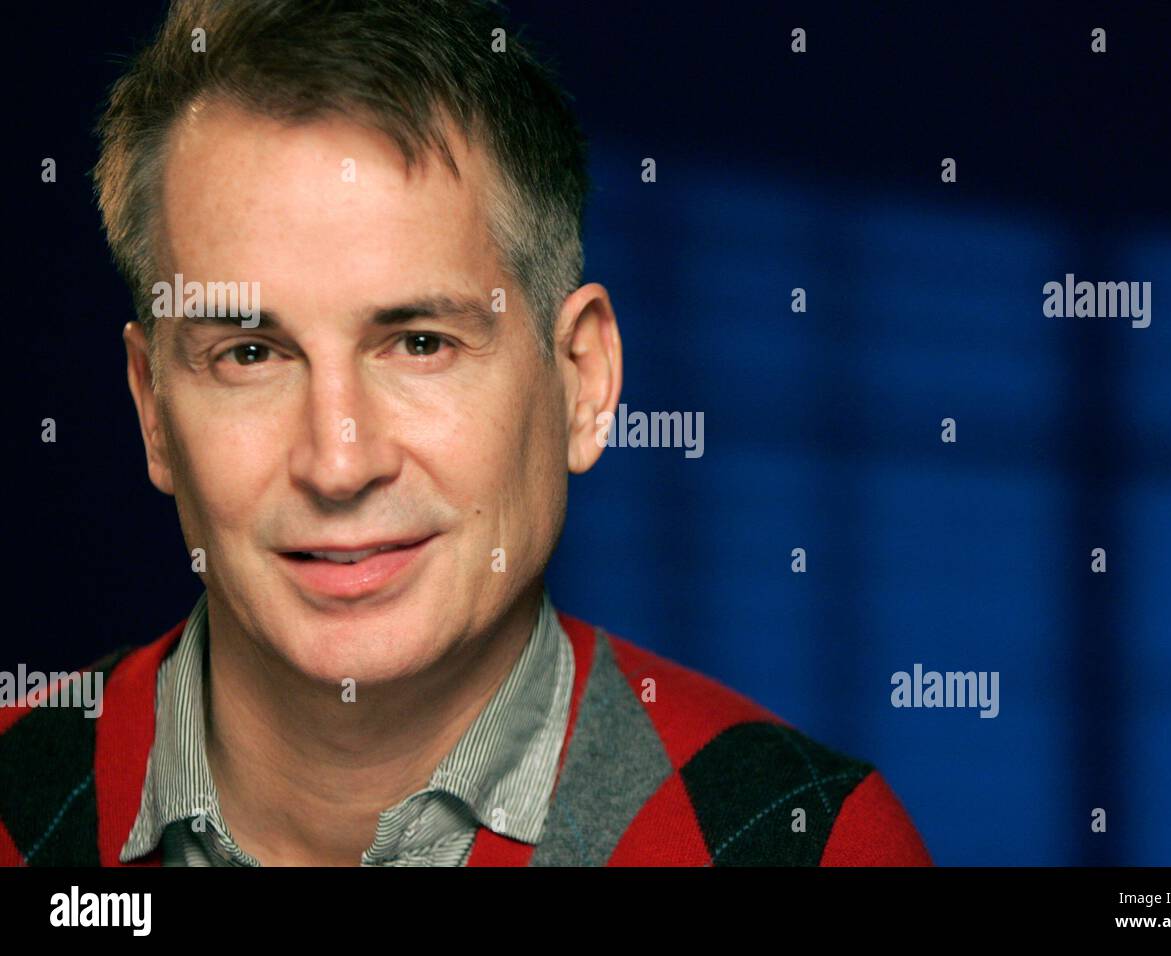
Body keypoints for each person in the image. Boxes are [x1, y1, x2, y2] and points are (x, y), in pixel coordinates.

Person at [0, 0, 931, 867]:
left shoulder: (796, 842)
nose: (339, 460)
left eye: (419, 342)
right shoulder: (17, 796)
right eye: (251, 354)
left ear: (583, 381)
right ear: (153, 408)